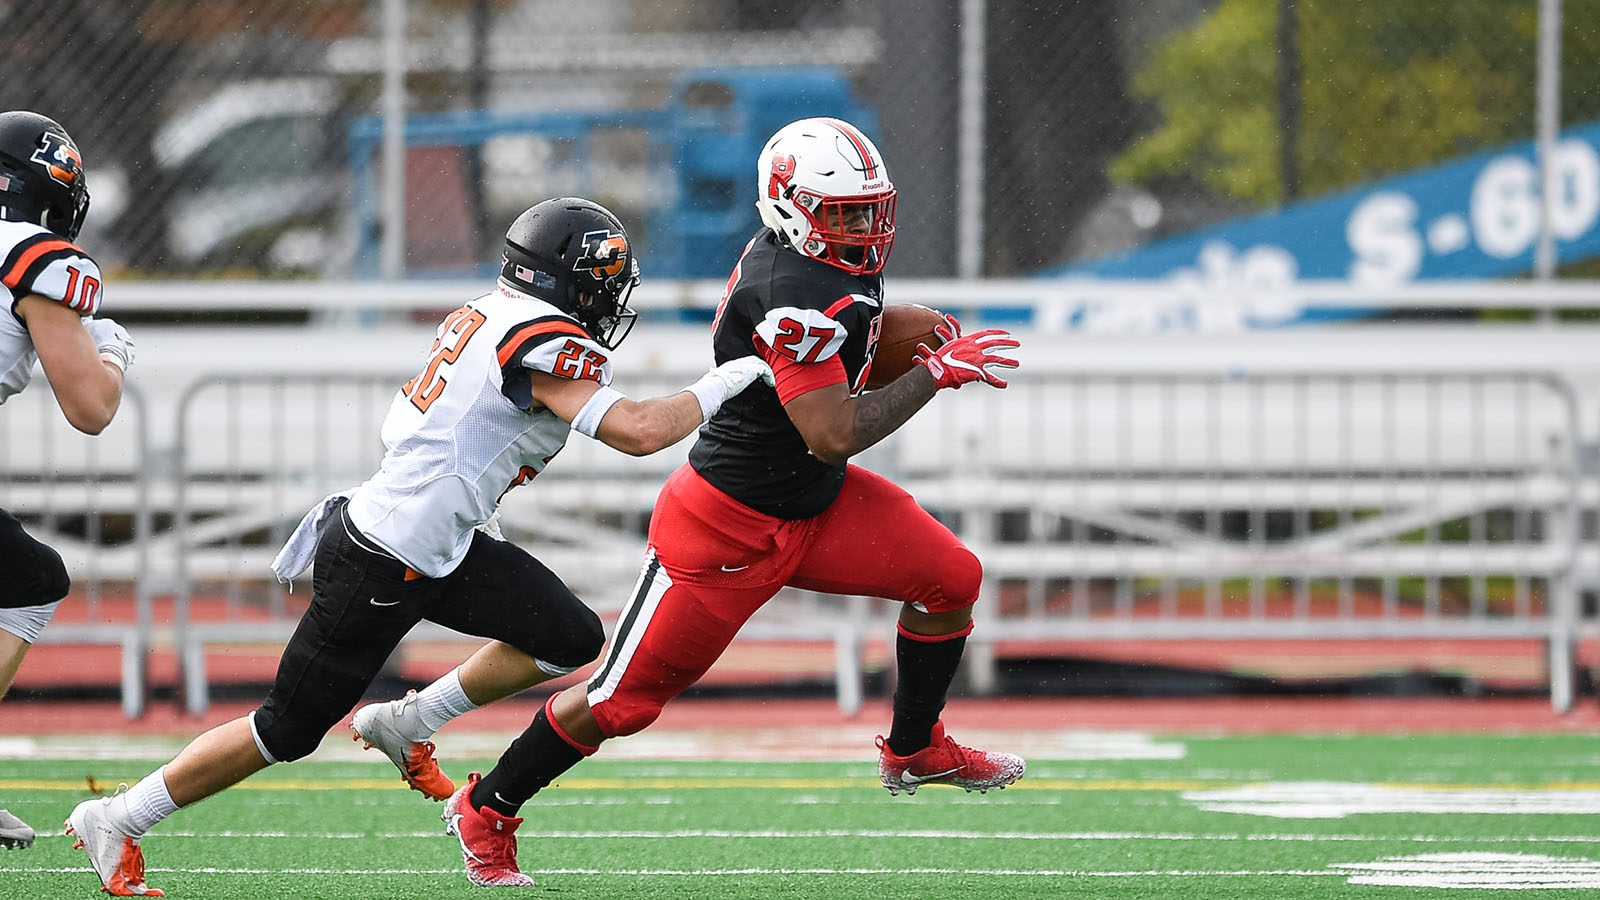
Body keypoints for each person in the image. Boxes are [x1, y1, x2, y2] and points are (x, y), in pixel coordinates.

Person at [356, 117, 1025, 888]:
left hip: (815, 506)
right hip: (726, 528)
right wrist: (933, 373)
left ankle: (915, 748)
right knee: (619, 701)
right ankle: (489, 807)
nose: (865, 228)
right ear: (788, 207)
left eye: (871, 209)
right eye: (843, 213)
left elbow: (847, 362)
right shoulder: (792, 294)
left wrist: (909, 338)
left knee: (951, 578)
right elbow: (832, 432)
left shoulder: (819, 260)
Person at [64, 197, 773, 897]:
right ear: (563, 277)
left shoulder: (493, 314)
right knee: (286, 729)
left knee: (568, 634)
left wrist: (465, 510)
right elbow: (639, 432)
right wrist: (728, 379)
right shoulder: (541, 338)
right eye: (604, 273)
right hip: (382, 553)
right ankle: (118, 816)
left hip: (442, 544)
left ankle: (408, 721)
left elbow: (423, 430)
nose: (612, 291)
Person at [0, 111, 133, 853]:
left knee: (25, 573)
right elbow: (91, 408)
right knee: (30, 583)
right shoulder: (34, 255)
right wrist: (111, 350)